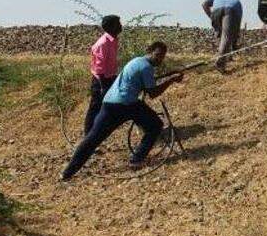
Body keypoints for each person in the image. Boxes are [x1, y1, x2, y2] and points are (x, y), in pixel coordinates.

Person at [61, 42, 183, 180]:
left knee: (93, 139)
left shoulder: (137, 61)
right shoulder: (146, 67)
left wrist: (170, 74)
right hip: (127, 105)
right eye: (158, 55)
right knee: (155, 126)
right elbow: (153, 93)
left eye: (162, 56)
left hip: (109, 103)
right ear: (149, 51)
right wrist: (172, 80)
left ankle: (67, 173)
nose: (159, 59)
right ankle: (136, 159)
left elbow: (142, 81)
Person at [84, 15, 122, 135]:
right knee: (95, 108)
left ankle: (100, 131)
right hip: (101, 80)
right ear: (110, 27)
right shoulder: (103, 43)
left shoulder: (113, 40)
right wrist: (103, 87)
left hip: (109, 77)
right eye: (118, 23)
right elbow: (99, 68)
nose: (121, 25)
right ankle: (88, 136)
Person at [202, 0, 243, 70]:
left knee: (221, 34)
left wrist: (211, 17)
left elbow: (204, 4)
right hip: (231, 11)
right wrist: (235, 45)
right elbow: (236, 29)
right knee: (226, 36)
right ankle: (220, 63)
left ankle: (226, 56)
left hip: (216, 11)